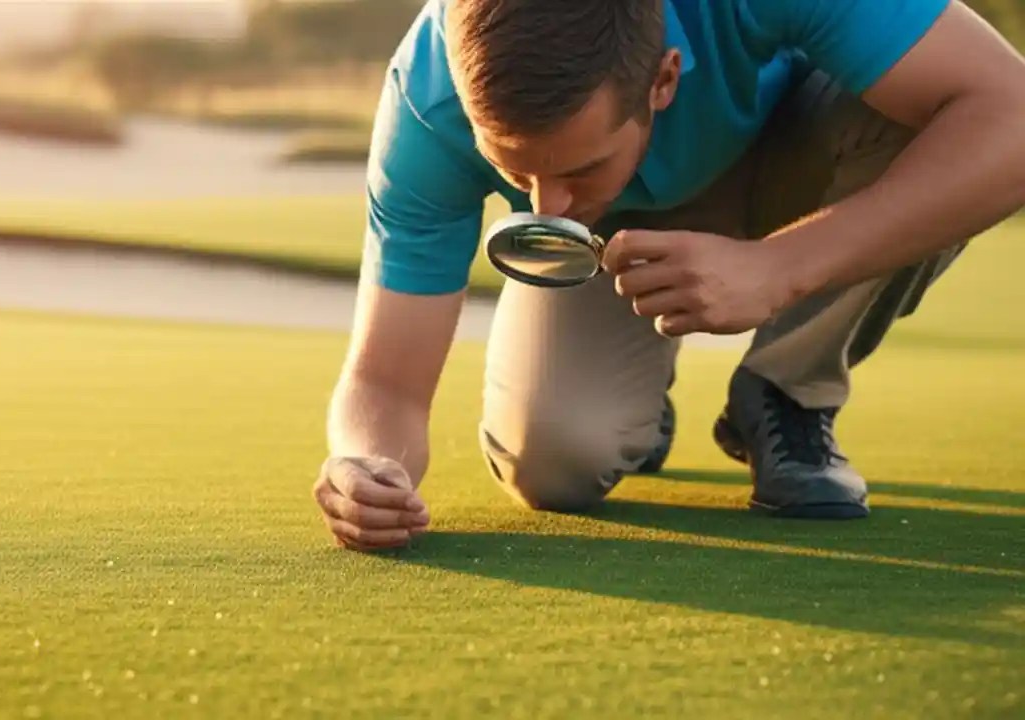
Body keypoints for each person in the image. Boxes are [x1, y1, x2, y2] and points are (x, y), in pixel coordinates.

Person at [311, 0, 1025, 551]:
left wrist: (778, 269)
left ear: (663, 79)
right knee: (554, 463)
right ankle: (639, 408)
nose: (544, 207)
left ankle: (787, 392)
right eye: (512, 166)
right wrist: (367, 465)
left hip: (797, 152)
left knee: (942, 123)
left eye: (575, 168)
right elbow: (386, 383)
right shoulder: (428, 101)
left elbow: (1012, 118)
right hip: (623, 230)